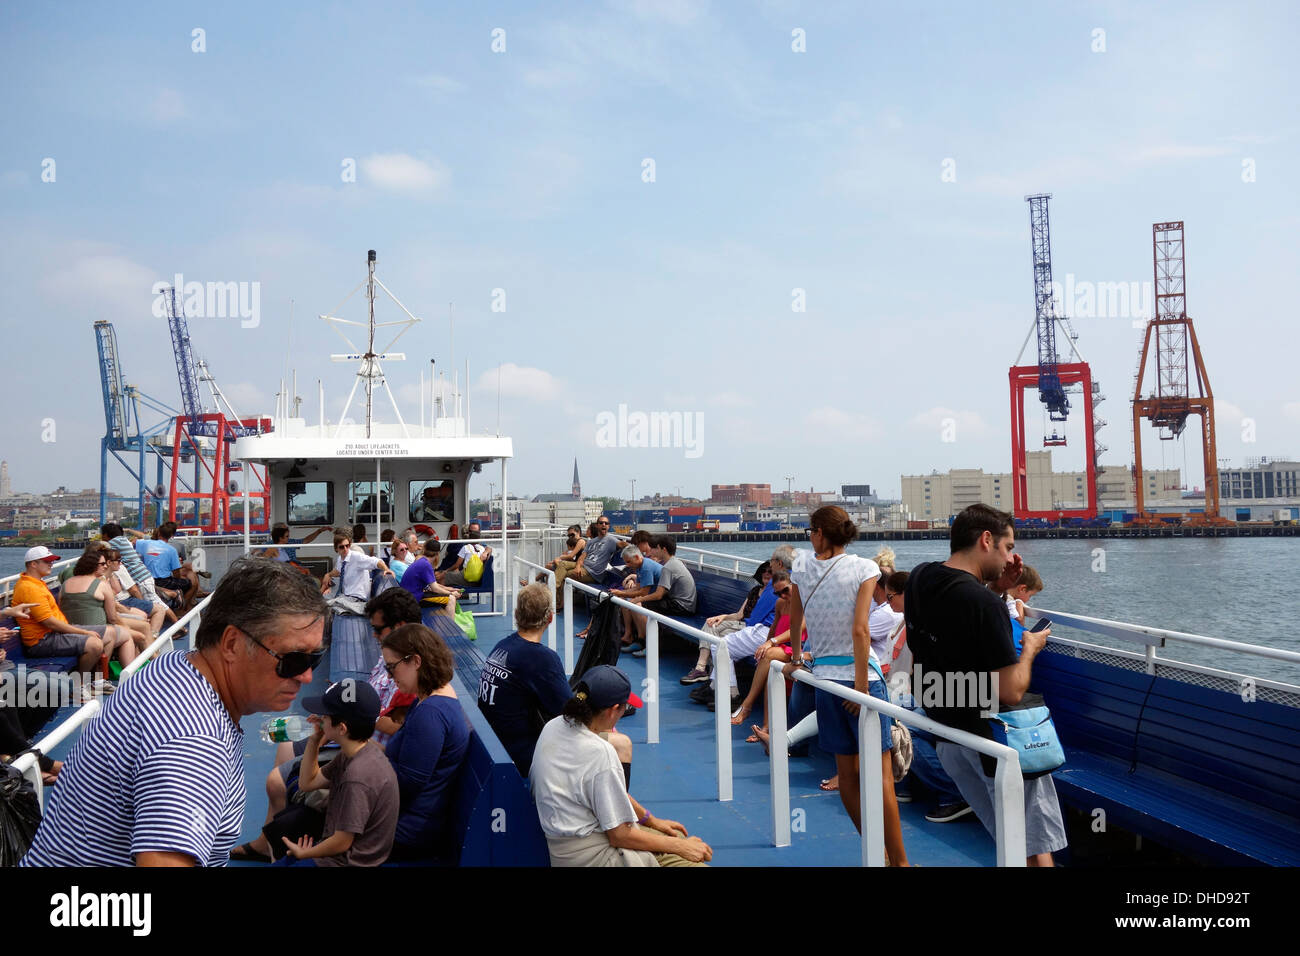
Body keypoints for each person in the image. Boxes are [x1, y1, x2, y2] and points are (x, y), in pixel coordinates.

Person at [21, 558, 328, 866]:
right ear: (232, 644)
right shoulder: (194, 741)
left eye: (314, 659)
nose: (306, 677)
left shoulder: (174, 667)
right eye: (295, 659)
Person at [904, 503, 1066, 866]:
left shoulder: (919, 578)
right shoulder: (984, 605)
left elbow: (954, 626)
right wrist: (1030, 647)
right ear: (986, 539)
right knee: (1034, 846)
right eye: (1008, 548)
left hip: (948, 734)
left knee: (1010, 841)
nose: (1011, 558)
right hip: (997, 741)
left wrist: (997, 588)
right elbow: (1010, 690)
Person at [786, 505, 907, 865]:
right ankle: (900, 862)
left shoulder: (802, 566)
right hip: (862, 682)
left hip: (825, 681)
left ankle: (879, 854)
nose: (809, 535)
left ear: (821, 533)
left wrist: (795, 658)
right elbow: (860, 629)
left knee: (847, 776)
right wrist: (860, 687)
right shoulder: (865, 568)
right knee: (882, 776)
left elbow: (796, 616)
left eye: (811, 529)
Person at [530, 665, 712, 867]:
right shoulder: (600, 753)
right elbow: (620, 836)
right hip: (592, 855)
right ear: (613, 710)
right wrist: (680, 847)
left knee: (673, 834)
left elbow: (607, 795)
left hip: (566, 843)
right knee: (690, 857)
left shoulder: (555, 725)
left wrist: (650, 820)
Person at [479, 582, 629, 777]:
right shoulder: (541, 658)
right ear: (550, 618)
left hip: (493, 740)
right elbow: (572, 713)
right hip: (521, 752)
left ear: (517, 614)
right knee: (621, 744)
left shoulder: (502, 645)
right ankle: (614, 804)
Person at [277, 679, 400, 867]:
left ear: (342, 728)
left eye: (325, 716)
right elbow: (307, 783)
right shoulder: (354, 753)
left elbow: (343, 841)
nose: (320, 718)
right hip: (336, 851)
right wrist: (314, 741)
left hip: (347, 861)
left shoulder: (358, 776)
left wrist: (306, 853)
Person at [379, 623, 471, 860]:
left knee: (300, 824)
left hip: (406, 831)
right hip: (406, 820)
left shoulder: (430, 714)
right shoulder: (427, 699)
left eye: (392, 667)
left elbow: (407, 784)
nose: (389, 676)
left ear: (416, 662)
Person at [11, 546, 113, 676]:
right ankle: (80, 684)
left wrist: (82, 632)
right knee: (95, 644)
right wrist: (84, 632)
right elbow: (50, 623)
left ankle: (99, 680)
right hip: (41, 641)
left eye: (52, 561)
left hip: (55, 633)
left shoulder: (36, 582)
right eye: (47, 561)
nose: (51, 564)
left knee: (110, 633)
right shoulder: (29, 588)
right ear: (33, 564)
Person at [58, 548, 148, 657]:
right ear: (92, 565)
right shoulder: (101, 585)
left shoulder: (65, 585)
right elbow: (112, 618)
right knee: (138, 637)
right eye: (102, 564)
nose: (105, 566)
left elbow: (60, 609)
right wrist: (126, 627)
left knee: (131, 631)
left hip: (72, 631)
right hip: (99, 631)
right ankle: (133, 669)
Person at [625, 534, 698, 651]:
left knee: (638, 605)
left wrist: (639, 599)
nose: (652, 551)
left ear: (662, 549)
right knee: (637, 604)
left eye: (654, 548)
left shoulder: (668, 567)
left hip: (682, 606)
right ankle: (641, 640)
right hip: (682, 603)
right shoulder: (674, 562)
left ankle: (651, 646)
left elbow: (659, 595)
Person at [102, 522, 179, 625]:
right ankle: (169, 595)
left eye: (103, 535)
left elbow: (101, 548)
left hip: (142, 579)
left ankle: (178, 626)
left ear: (107, 535)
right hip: (144, 577)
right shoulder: (124, 541)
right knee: (153, 602)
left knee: (158, 605)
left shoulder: (115, 542)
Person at [320, 531, 396, 615]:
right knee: (323, 600)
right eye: (342, 547)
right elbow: (338, 571)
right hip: (345, 596)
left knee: (324, 605)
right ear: (336, 549)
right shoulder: (340, 559)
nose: (345, 549)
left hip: (357, 599)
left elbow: (376, 561)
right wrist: (328, 575)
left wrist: (386, 569)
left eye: (347, 546)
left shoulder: (356, 557)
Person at [610, 545, 662, 655]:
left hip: (661, 599)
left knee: (635, 604)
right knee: (624, 600)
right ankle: (636, 638)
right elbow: (638, 587)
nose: (627, 565)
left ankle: (649, 644)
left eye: (629, 562)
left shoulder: (646, 567)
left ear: (637, 557)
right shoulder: (639, 567)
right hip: (652, 596)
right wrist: (620, 593)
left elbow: (644, 593)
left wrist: (621, 592)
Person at [437, 522, 493, 589]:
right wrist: (485, 552)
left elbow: (456, 565)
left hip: (467, 578)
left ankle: (444, 596)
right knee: (440, 574)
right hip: (477, 578)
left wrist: (445, 572)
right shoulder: (481, 548)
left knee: (441, 577)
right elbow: (489, 548)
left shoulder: (464, 546)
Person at [260, 523, 332, 571]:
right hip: (286, 571)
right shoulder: (270, 546)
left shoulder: (289, 542)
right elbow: (260, 557)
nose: (288, 535)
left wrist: (319, 531)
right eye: (286, 534)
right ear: (280, 536)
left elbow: (306, 540)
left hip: (294, 567)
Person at [543, 525, 586, 600]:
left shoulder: (581, 541)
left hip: (577, 565)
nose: (570, 537)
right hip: (571, 564)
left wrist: (559, 558)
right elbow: (566, 554)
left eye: (572, 534)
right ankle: (548, 591)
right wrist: (559, 558)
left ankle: (550, 594)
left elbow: (571, 555)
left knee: (554, 569)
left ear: (578, 532)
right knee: (548, 566)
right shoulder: (573, 542)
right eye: (569, 535)